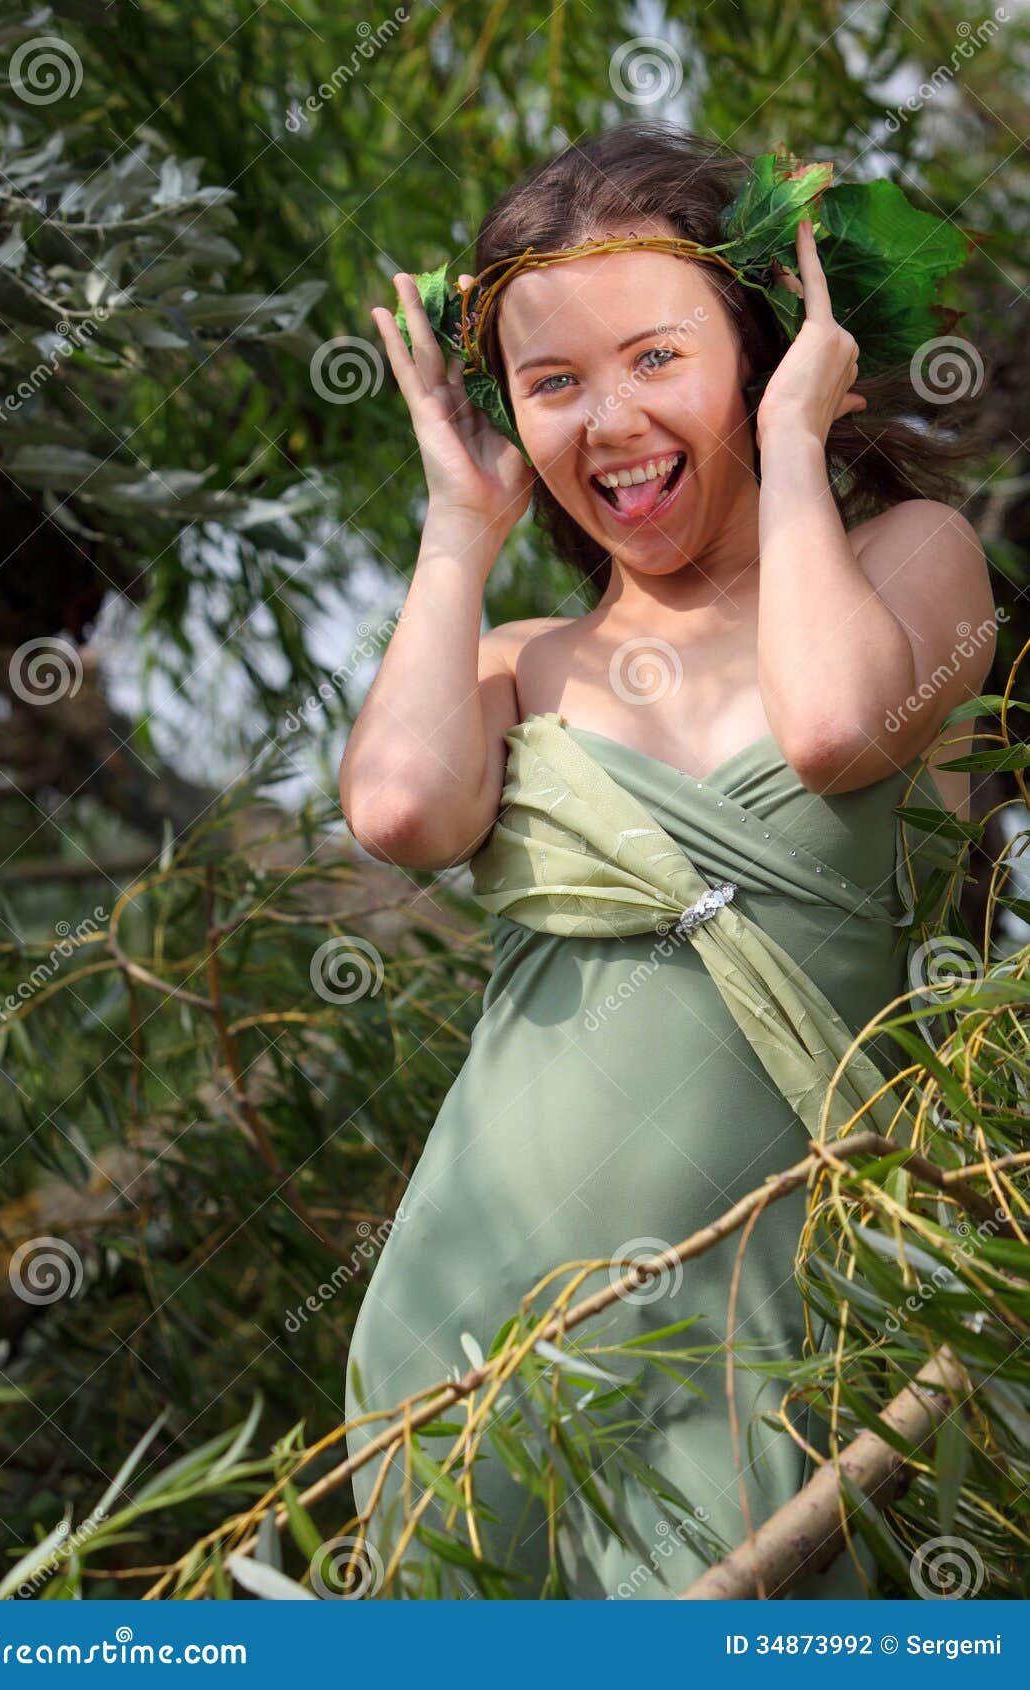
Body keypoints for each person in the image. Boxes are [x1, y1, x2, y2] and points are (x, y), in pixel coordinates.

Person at [336, 124, 994, 1599]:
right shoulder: (515, 660)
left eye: (655, 359)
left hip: (780, 1343)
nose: (608, 422)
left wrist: (788, 451)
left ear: (765, 355)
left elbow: (830, 730)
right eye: (550, 382)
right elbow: (396, 811)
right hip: (468, 1349)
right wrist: (458, 531)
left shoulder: (913, 566)